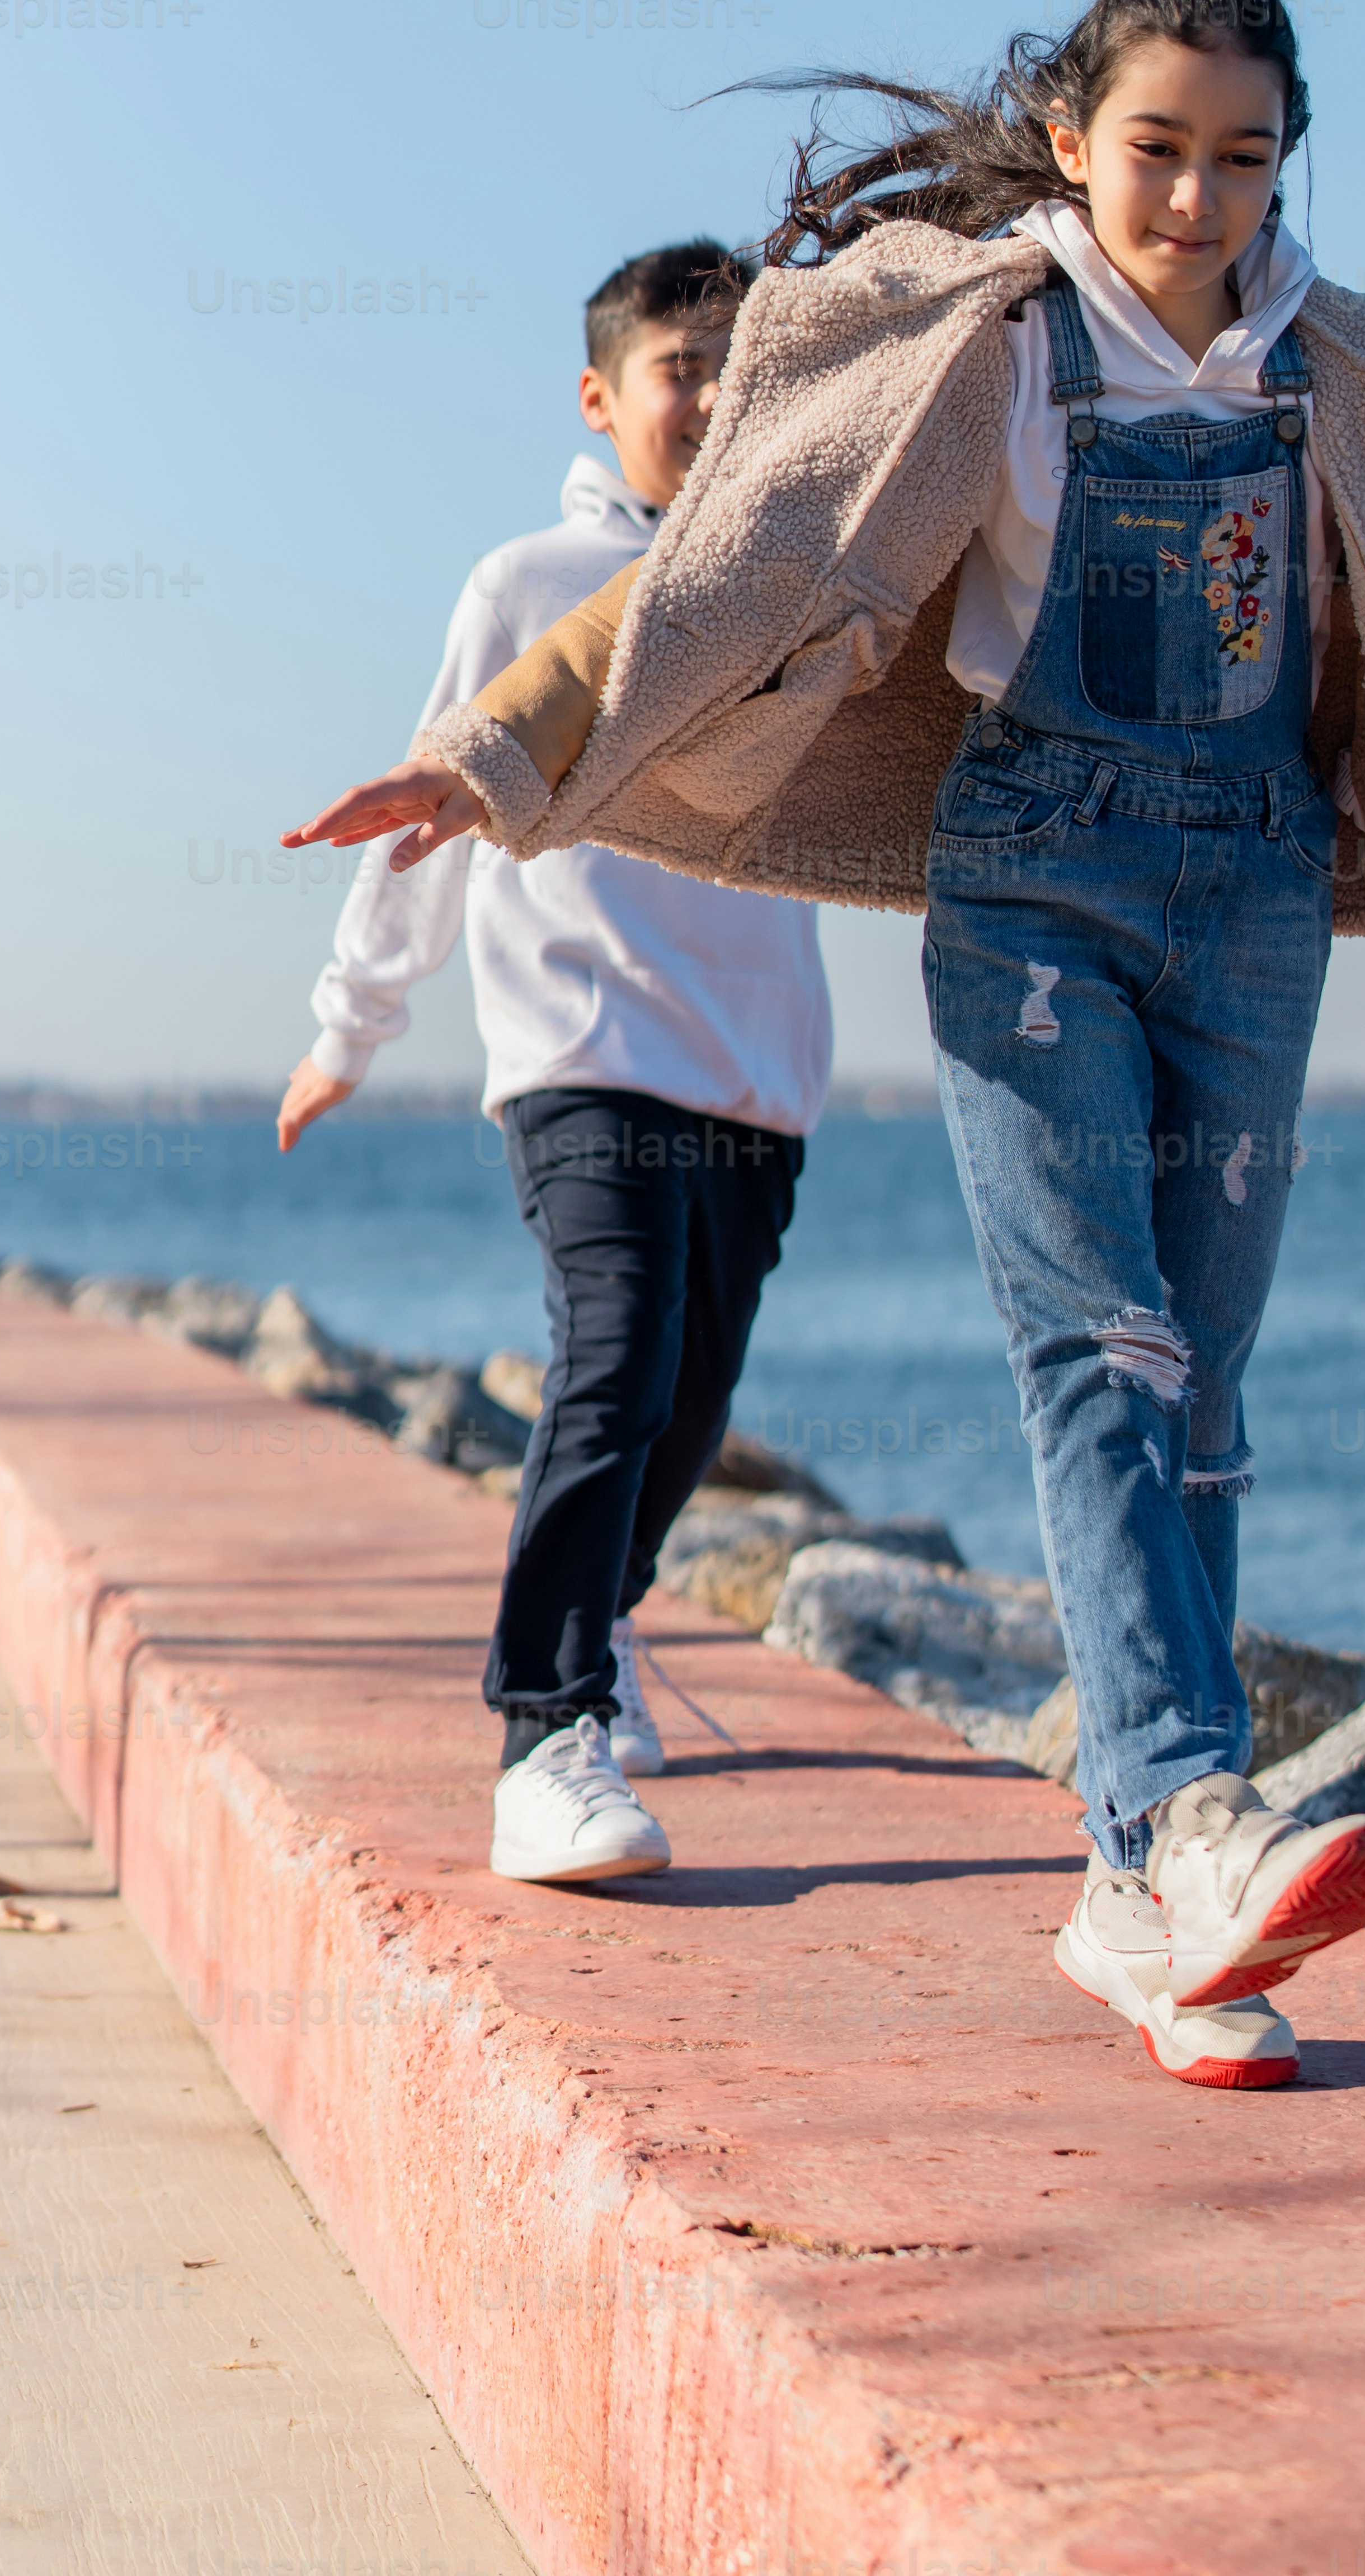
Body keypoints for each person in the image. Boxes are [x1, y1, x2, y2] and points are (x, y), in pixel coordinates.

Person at [286, 0, 1365, 2088]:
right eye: (1158, 144)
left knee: (1207, 1393)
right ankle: (1195, 1810)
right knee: (1106, 1350)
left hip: (1254, 900)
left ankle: (1144, 1901)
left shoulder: (1357, 378)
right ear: (1071, 137)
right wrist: (495, 752)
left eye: (1247, 157)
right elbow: (727, 560)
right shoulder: (983, 347)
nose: (1198, 198)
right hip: (1028, 890)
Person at [277, 239, 831, 1893]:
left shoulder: (797, 587)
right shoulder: (524, 584)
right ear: (601, 399)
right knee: (616, 1355)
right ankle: (546, 1730)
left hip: (757, 1076)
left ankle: (604, 1624)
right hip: (583, 1055)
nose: (721, 394)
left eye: (749, 363)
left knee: (694, 1403)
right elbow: (429, 814)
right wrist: (346, 1029)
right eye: (685, 366)